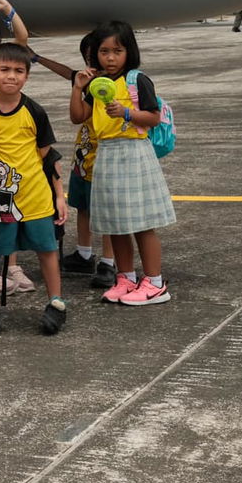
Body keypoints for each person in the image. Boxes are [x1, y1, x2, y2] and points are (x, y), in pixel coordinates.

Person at [69, 21, 176, 306]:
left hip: (133, 151)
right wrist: (78, 88)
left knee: (143, 223)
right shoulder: (95, 84)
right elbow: (78, 116)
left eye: (117, 51)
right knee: (114, 224)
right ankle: (125, 277)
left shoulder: (137, 80)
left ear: (129, 52)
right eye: (104, 52)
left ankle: (154, 282)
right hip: (106, 153)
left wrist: (127, 113)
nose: (111, 58)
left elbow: (153, 117)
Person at [0, 44, 69, 335]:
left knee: (47, 249)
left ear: (26, 76)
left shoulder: (34, 111)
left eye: (19, 71)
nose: (11, 76)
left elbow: (45, 154)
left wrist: (58, 194)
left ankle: (56, 303)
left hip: (35, 196)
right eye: (4, 69)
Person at [33, 33, 110, 286]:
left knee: (106, 210)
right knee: (83, 205)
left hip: (103, 153)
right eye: (86, 54)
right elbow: (67, 72)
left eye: (94, 53)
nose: (91, 58)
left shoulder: (109, 82)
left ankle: (109, 262)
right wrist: (37, 57)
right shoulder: (85, 79)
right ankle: (84, 253)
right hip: (84, 154)